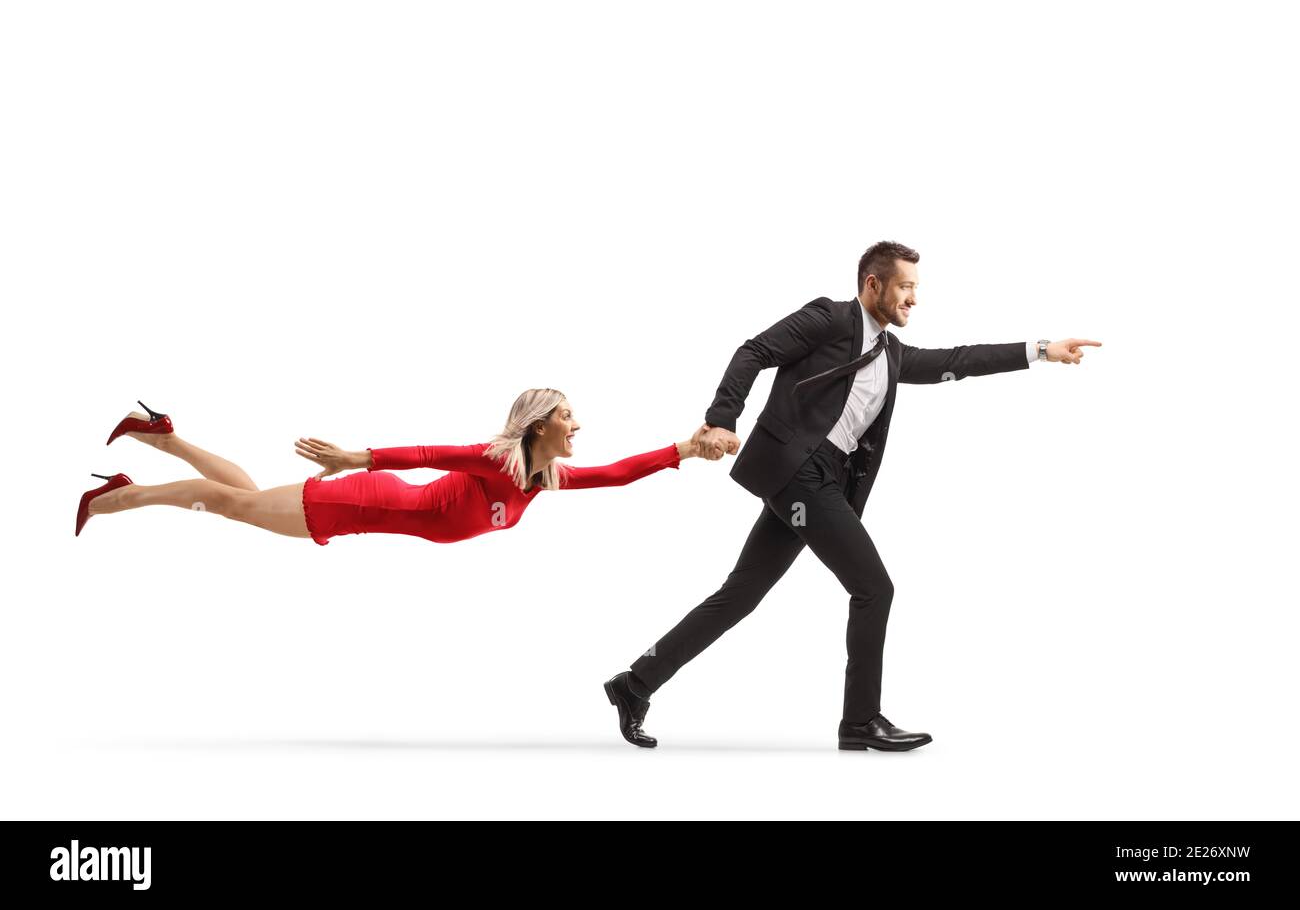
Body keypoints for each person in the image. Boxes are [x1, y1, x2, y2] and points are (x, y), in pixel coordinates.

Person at [603, 241, 1101, 750]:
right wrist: (721, 419)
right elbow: (754, 351)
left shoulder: (889, 351)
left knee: (741, 594)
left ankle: (634, 683)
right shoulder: (828, 319)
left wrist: (1040, 350)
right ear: (873, 284)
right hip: (800, 472)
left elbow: (957, 360)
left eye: (916, 289)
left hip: (820, 479)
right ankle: (861, 721)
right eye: (905, 287)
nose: (913, 299)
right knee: (873, 588)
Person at [76, 389, 718, 544]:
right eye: (569, 416)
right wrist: (359, 456)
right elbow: (431, 453)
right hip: (358, 502)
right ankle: (117, 498)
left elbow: (620, 473)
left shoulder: (542, 480)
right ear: (540, 424)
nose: (579, 427)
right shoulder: (497, 462)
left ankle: (164, 437)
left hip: (370, 505)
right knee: (227, 503)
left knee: (240, 495)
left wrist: (686, 449)